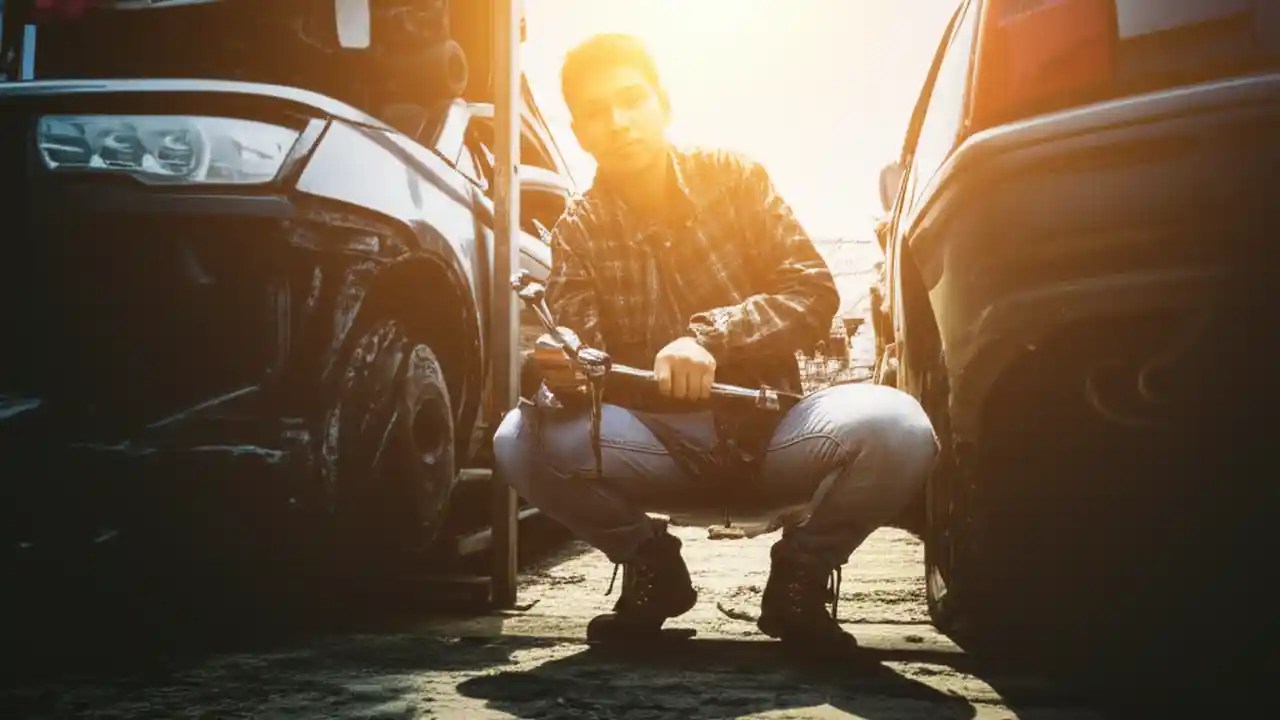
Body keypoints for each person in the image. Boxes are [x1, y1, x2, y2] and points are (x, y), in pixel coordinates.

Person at [493, 33, 938, 656]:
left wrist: (709, 338)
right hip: (657, 447)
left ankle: (801, 577)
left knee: (901, 427)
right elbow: (585, 354)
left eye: (631, 100)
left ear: (663, 104)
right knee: (519, 438)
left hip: (776, 432)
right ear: (579, 130)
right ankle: (651, 567)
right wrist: (563, 368)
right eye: (597, 112)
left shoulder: (736, 178)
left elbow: (812, 291)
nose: (618, 122)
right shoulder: (578, 229)